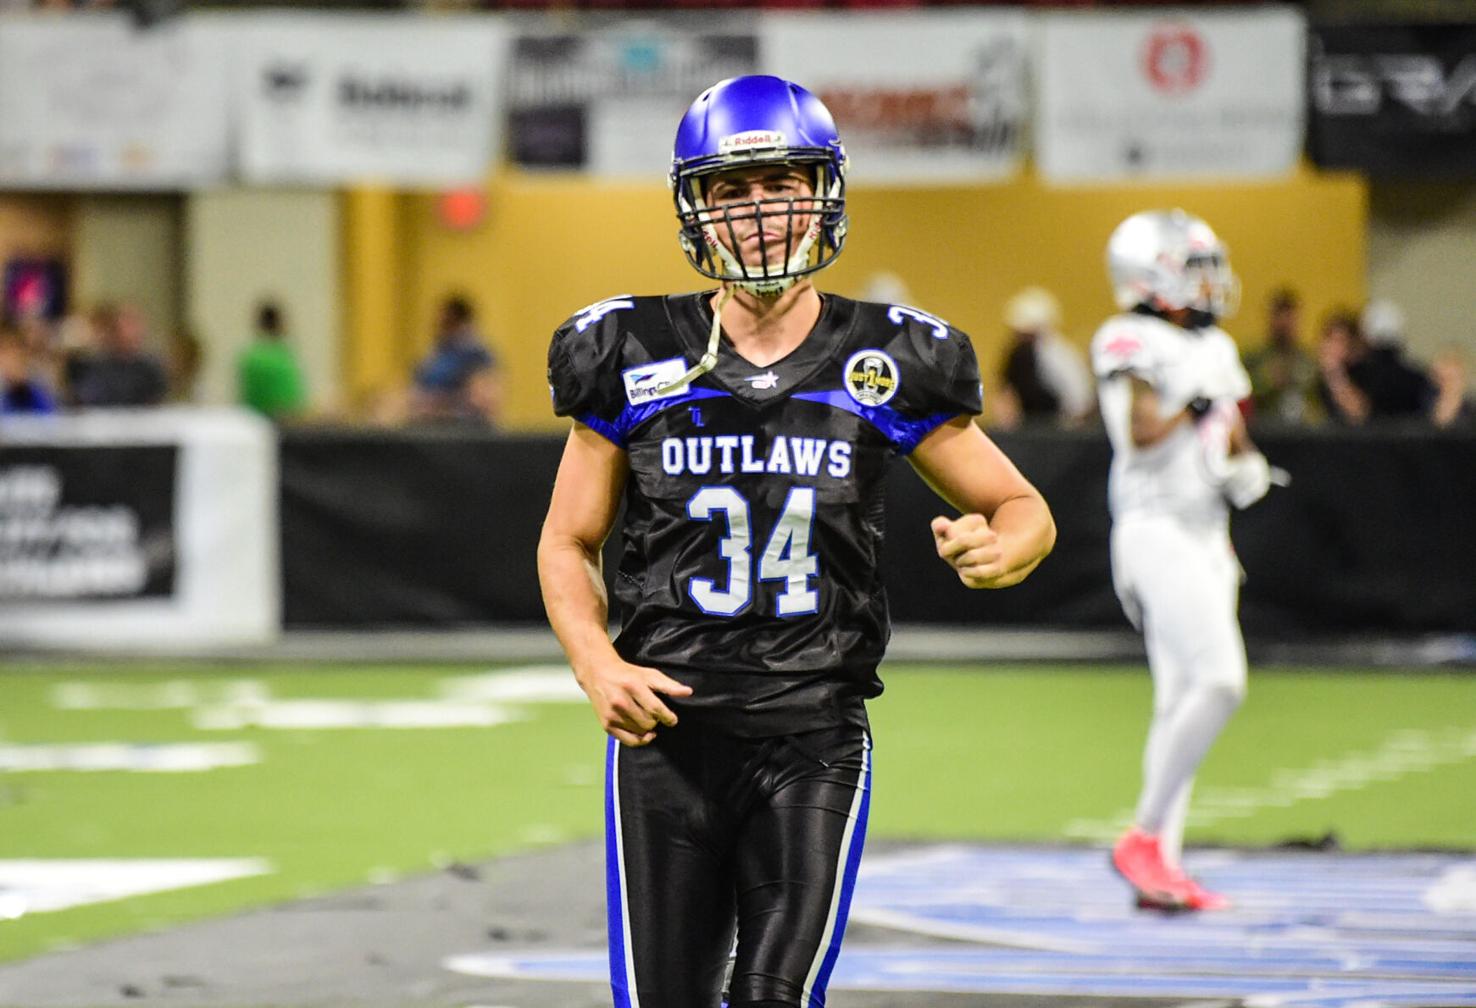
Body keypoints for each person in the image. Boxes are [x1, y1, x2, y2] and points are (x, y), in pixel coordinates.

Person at [536, 75, 1055, 1007]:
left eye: (780, 182)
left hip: (813, 735)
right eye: (731, 188)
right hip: (668, 736)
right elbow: (568, 541)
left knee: (774, 997)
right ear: (695, 205)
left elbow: (1021, 505)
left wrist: (1008, 547)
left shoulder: (885, 359)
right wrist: (595, 664)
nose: (758, 210)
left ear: (823, 191)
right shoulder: (631, 348)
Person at [1090, 209, 1279, 913]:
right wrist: (1194, 402)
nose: (1207, 282)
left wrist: (1245, 464)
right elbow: (1141, 430)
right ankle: (1142, 837)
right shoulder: (1127, 336)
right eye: (1193, 268)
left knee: (1179, 704)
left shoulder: (1216, 344)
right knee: (1221, 681)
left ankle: (1159, 868)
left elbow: (1228, 433)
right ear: (1151, 273)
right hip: (1154, 528)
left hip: (1206, 535)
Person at [991, 285, 1094, 429]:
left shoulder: (1060, 355)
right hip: (1026, 429)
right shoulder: (1017, 354)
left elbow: (1080, 401)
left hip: (1057, 429)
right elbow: (1004, 392)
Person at [407, 295, 502, 426]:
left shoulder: (477, 355)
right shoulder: (435, 355)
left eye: (446, 323)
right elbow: (415, 388)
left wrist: (435, 403)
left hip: (462, 426)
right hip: (428, 422)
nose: (439, 329)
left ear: (461, 323)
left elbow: (484, 400)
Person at [67, 302, 167, 408]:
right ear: (113, 330)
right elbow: (85, 399)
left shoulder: (151, 367)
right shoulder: (93, 366)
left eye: (133, 325)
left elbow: (156, 401)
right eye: (125, 326)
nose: (130, 333)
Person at [1242, 287, 1317, 424]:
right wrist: (1267, 380)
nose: (1284, 322)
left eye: (1289, 316)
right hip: (1265, 428)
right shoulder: (1254, 357)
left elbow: (1317, 398)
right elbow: (1240, 392)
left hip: (1302, 429)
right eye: (1279, 315)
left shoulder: (1308, 359)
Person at [237, 301, 306, 420]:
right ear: (281, 324)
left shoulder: (250, 358)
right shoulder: (286, 357)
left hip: (255, 422)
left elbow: (244, 398)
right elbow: (297, 403)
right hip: (284, 423)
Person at [0, 327, 58, 415]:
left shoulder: (39, 384)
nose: (12, 359)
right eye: (6, 352)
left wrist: (23, 386)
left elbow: (50, 414)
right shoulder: (3, 389)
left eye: (16, 354)